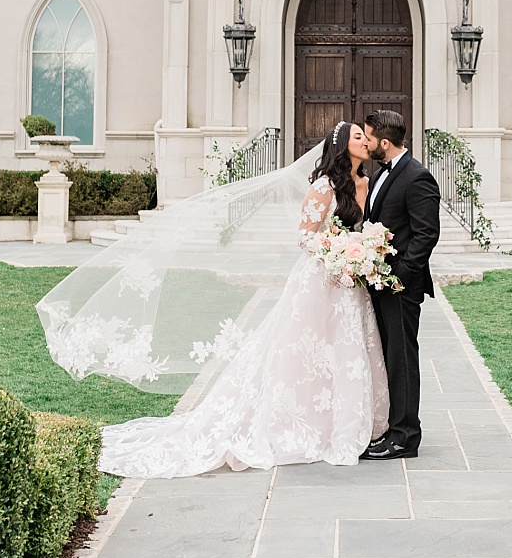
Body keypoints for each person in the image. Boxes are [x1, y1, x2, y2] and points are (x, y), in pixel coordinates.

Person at [89, 121, 390, 477]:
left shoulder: (366, 185)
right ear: (343, 147)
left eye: (365, 137)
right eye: (358, 137)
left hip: (350, 285)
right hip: (320, 281)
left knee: (345, 351)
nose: (366, 142)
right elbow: (306, 238)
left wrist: (362, 251)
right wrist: (339, 253)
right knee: (307, 353)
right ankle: (298, 424)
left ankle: (343, 422)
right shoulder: (323, 188)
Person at [359, 109, 442, 461]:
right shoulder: (380, 175)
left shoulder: (417, 177)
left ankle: (406, 437)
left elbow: (426, 236)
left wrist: (399, 279)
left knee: (402, 359)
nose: (365, 142)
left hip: (399, 288)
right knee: (389, 359)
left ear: (385, 142)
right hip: (379, 284)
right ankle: (392, 430)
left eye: (369, 137)